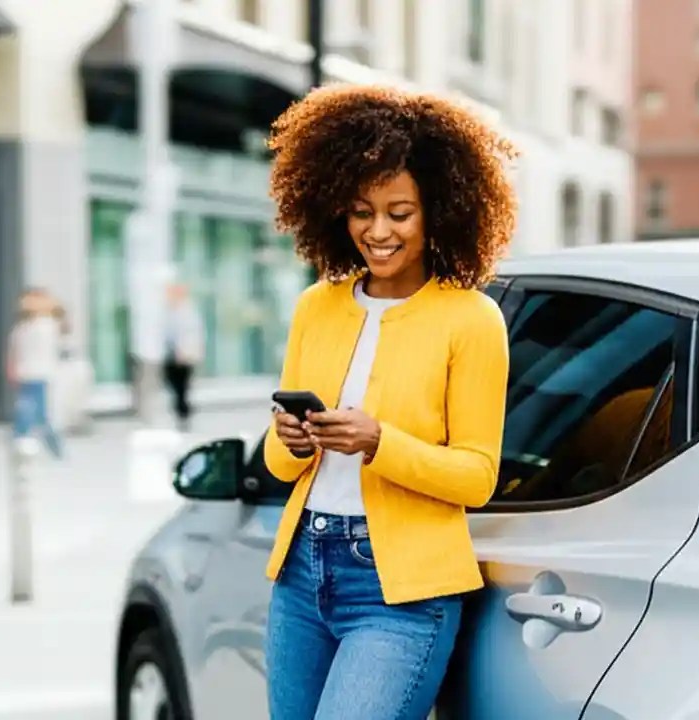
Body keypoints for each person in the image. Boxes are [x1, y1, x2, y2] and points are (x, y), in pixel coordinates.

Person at [261, 84, 517, 720]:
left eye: (399, 213)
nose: (378, 232)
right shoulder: (316, 306)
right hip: (300, 573)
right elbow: (277, 463)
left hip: (399, 592)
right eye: (360, 211)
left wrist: (379, 442)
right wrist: (291, 441)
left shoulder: (471, 319)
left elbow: (478, 476)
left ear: (440, 210)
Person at [7, 288, 63, 459]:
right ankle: (52, 447)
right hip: (29, 374)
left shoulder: (45, 325)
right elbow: (13, 352)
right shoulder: (23, 328)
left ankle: (27, 440)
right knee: (34, 412)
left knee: (34, 411)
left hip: (39, 374)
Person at [163, 282, 204, 432]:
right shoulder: (168, 311)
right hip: (170, 356)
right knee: (175, 386)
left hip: (183, 357)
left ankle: (184, 414)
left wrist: (188, 352)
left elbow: (193, 335)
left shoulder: (187, 312)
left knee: (182, 388)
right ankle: (181, 412)